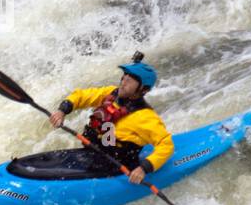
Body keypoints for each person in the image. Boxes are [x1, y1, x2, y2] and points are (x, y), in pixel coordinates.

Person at [49, 56, 173, 184]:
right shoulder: (111, 94)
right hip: (90, 154)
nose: (123, 82)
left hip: (116, 167)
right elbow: (81, 96)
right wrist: (62, 110)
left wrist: (144, 168)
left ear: (143, 89)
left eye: (130, 80)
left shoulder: (144, 117)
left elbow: (166, 145)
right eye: (124, 77)